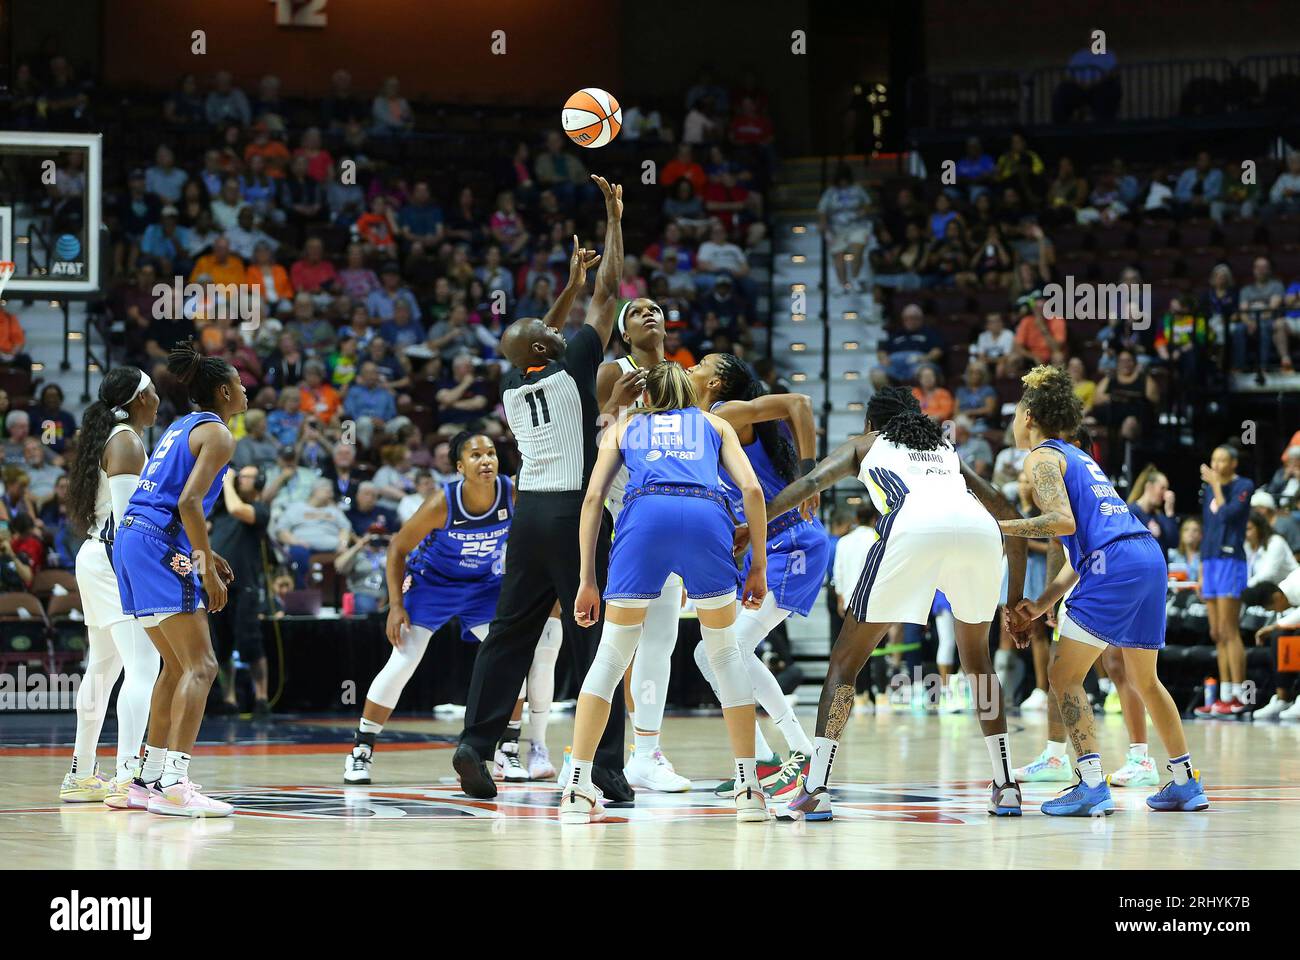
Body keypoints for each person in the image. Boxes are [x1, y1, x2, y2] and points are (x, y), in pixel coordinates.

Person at [452, 176, 632, 803]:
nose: (561, 329)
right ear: (548, 348)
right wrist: (613, 218)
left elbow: (535, 334)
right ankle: (606, 766)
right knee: (594, 635)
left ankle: (475, 744)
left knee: (509, 634)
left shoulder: (511, 384)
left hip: (526, 520)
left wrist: (566, 289)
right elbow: (611, 295)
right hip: (575, 515)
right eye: (551, 330)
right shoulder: (575, 366)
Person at [768, 387, 1027, 820]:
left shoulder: (868, 444)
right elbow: (1006, 508)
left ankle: (816, 788)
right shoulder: (944, 449)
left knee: (845, 664)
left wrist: (754, 524)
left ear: (871, 424)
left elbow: (810, 483)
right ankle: (1005, 785)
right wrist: (1014, 601)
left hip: (915, 527)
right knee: (978, 664)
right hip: (981, 532)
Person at [564, 361, 770, 823]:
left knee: (612, 658)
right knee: (725, 656)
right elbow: (753, 490)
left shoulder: (625, 425)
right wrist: (758, 564)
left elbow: (594, 498)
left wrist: (587, 579)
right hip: (704, 516)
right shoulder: (716, 423)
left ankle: (577, 788)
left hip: (645, 517)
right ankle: (749, 790)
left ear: (648, 396)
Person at [1000, 365, 1208, 815]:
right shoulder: (1080, 457)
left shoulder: (1040, 457)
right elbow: (1081, 552)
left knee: (1063, 676)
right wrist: (1039, 604)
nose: (1014, 420)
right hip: (1146, 557)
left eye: (1017, 412)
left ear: (1031, 416)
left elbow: (1061, 523)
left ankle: (1091, 783)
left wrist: (998, 526)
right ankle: (1185, 781)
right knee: (1145, 680)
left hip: (1114, 562)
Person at [344, 431, 562, 784]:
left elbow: (537, 537)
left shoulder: (512, 492)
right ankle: (361, 751)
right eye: (476, 456)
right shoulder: (441, 503)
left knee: (511, 660)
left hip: (483, 586)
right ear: (460, 467)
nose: (486, 460)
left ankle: (507, 751)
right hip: (432, 585)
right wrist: (396, 605)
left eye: (490, 453)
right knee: (403, 661)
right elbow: (397, 548)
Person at [113, 342, 248, 817]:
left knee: (173, 666)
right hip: (157, 544)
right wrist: (205, 566)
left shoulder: (178, 426)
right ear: (225, 390)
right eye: (240, 384)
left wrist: (210, 552)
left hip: (132, 539)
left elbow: (173, 502)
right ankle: (175, 781)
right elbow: (189, 504)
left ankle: (145, 781)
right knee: (203, 666)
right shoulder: (219, 435)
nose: (246, 390)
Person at [687, 353, 824, 802]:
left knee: (728, 649)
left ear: (719, 379)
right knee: (710, 655)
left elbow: (800, 403)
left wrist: (811, 478)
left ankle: (802, 751)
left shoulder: (726, 412)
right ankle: (764, 759)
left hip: (796, 542)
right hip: (769, 544)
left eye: (702, 362)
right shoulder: (702, 422)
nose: (692, 366)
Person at [592, 298, 687, 791]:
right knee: (620, 641)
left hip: (675, 512)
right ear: (625, 332)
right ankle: (587, 756)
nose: (648, 314)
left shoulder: (682, 376)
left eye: (655, 309)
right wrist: (615, 406)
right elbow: (597, 436)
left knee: (662, 641)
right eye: (636, 312)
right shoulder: (615, 370)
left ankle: (645, 754)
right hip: (625, 513)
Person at [59, 368, 162, 806]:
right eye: (153, 392)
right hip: (114, 560)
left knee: (103, 669)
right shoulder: (125, 441)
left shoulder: (112, 435)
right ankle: (126, 777)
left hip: (96, 557)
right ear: (139, 399)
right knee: (144, 666)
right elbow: (128, 524)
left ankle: (82, 773)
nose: (158, 400)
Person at [1193, 445, 1254, 717]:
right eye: (1213, 459)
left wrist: (1217, 485)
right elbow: (1209, 528)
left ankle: (1240, 695)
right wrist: (1201, 569)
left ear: (1233, 463)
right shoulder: (1208, 491)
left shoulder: (1244, 485)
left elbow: (1229, 516)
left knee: (1230, 630)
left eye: (1221, 460)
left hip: (1231, 560)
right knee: (1217, 632)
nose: (1215, 464)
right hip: (1211, 561)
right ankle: (1224, 695)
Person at [208, 464, 273, 715]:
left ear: (258, 483)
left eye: (246, 477)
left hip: (245, 586)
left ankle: (262, 697)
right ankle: (229, 698)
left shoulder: (259, 510)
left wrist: (227, 481)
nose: (239, 480)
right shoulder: (220, 513)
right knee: (222, 647)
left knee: (250, 645)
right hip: (218, 587)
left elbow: (237, 508)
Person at [1240, 571, 1300, 721]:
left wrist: (1274, 626)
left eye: (1273, 609)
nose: (1276, 612)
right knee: (1279, 637)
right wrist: (1276, 628)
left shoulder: (1297, 584)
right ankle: (1283, 698)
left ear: (1277, 598)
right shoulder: (1284, 589)